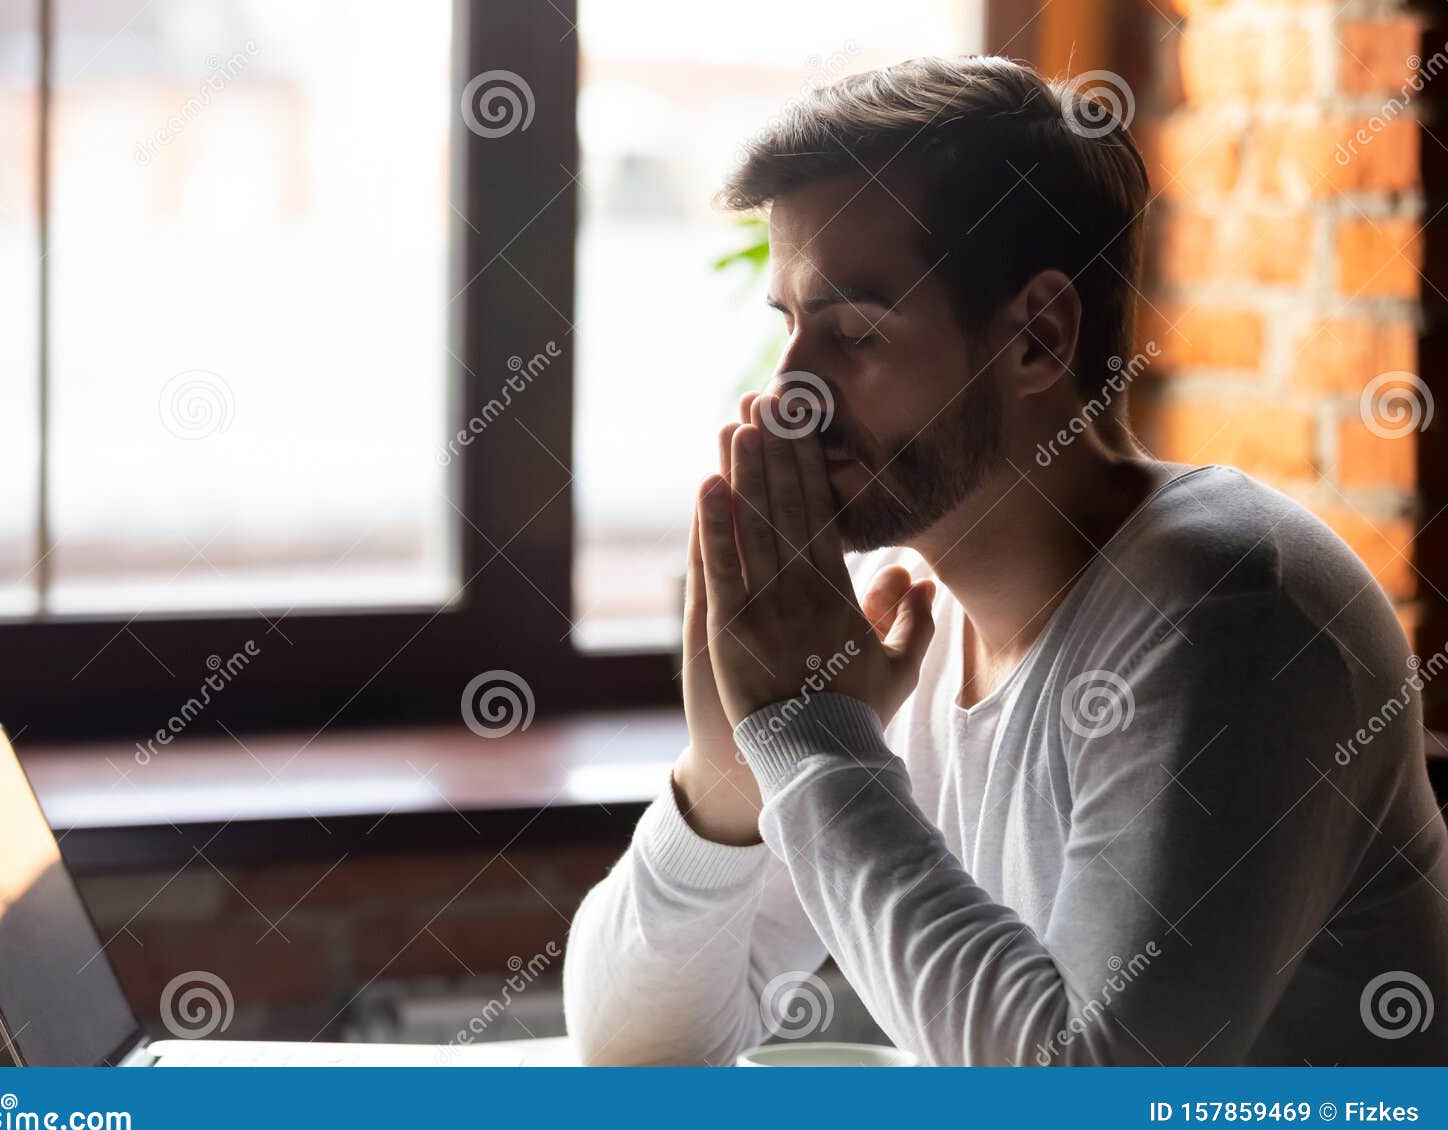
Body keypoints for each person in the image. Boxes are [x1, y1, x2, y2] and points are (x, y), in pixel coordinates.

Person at [561, 55, 1448, 1065]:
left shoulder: (1234, 611)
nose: (786, 392)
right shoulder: (914, 628)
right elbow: (635, 1057)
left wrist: (811, 738)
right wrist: (728, 773)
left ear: (1037, 336)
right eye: (789, 325)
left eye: (852, 330)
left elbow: (1088, 1106)